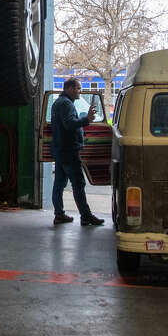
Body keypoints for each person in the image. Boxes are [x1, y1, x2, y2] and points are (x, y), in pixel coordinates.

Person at [50, 78, 104, 226]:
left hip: (60, 150)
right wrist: (87, 119)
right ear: (69, 89)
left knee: (59, 184)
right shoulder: (66, 104)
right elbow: (69, 124)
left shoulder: (58, 102)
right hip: (69, 151)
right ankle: (86, 216)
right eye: (78, 88)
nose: (79, 91)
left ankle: (59, 215)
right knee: (78, 183)